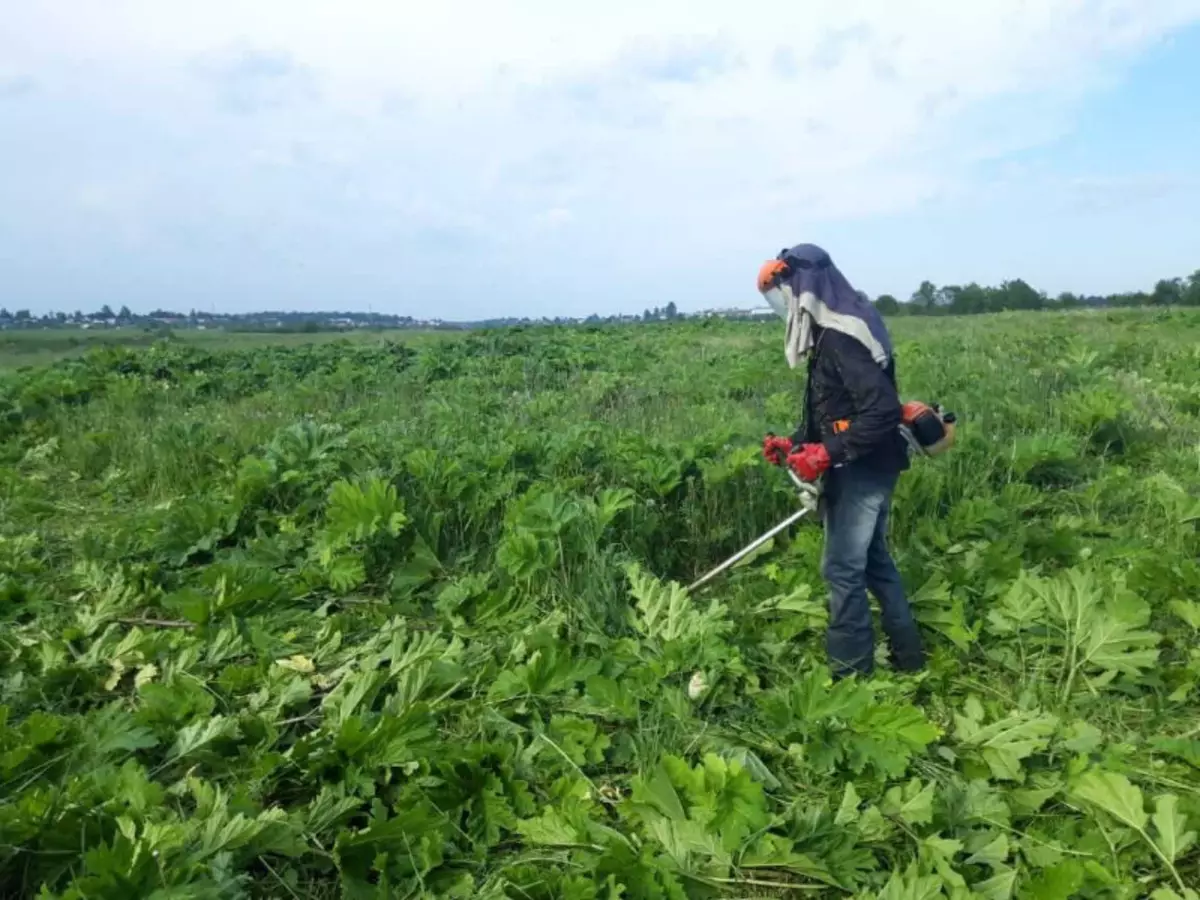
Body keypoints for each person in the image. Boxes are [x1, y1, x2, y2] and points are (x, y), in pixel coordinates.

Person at [757, 243, 925, 678]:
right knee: (873, 562)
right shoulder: (829, 335)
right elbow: (836, 414)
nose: (784, 306)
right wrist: (793, 444)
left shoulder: (841, 338)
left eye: (783, 293)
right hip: (869, 460)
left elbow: (882, 410)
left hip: (863, 469)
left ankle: (851, 677)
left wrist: (827, 452)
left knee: (842, 569)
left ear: (806, 287)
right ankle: (909, 660)